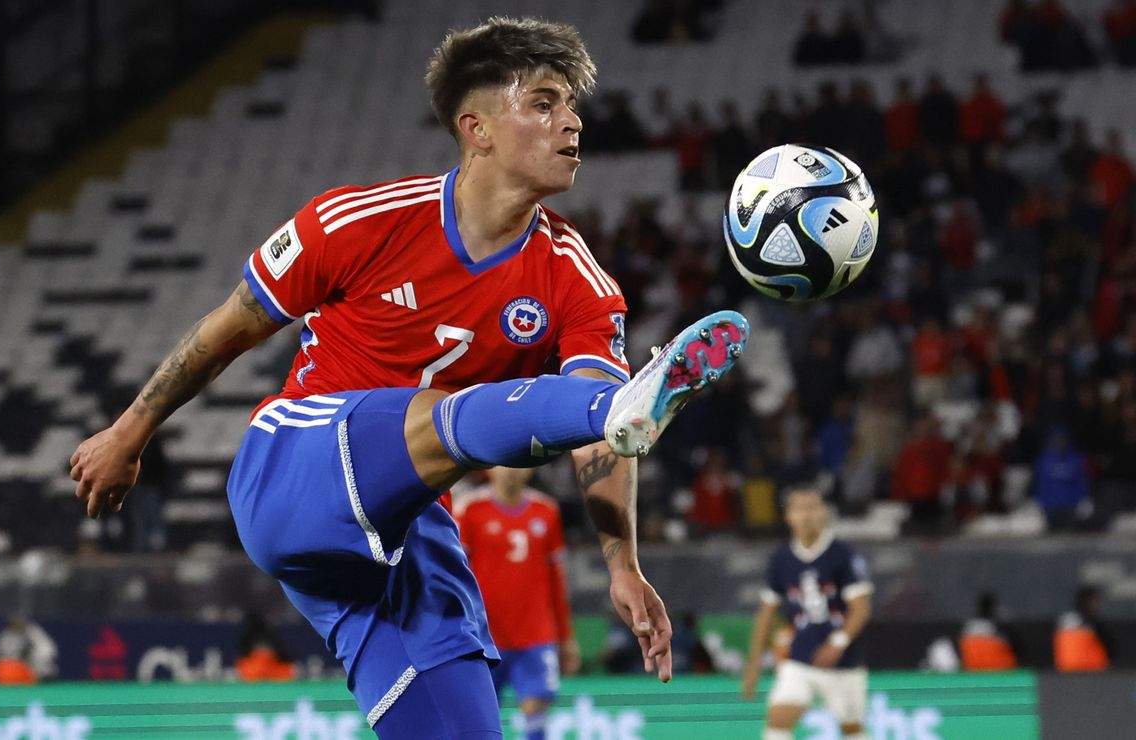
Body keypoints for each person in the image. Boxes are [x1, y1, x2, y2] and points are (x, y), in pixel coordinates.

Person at [67, 15, 750, 739]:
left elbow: (599, 439)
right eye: (545, 103)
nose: (572, 123)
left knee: (462, 726)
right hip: (293, 470)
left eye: (573, 106)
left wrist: (622, 564)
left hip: (405, 528)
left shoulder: (578, 282)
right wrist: (128, 431)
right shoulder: (356, 222)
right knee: (463, 416)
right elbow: (226, 329)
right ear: (476, 128)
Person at [457, 467, 580, 740]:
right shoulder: (469, 510)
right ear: (490, 468)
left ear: (531, 470)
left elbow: (555, 580)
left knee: (536, 707)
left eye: (518, 464)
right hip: (485, 635)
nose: (511, 471)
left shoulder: (546, 511)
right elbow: (455, 577)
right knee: (482, 716)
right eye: (504, 463)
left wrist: (566, 636)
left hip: (535, 632)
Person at [742, 485, 873, 740]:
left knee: (852, 730)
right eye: (799, 509)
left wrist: (837, 643)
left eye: (812, 507)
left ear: (824, 512)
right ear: (788, 516)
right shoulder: (781, 558)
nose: (806, 515)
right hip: (800, 658)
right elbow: (766, 614)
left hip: (843, 662)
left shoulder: (842, 554)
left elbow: (861, 608)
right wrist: (754, 664)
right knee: (778, 722)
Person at [1054, 585, 1112, 672]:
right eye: (1094, 600)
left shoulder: (1064, 620)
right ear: (1087, 601)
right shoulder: (1092, 622)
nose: (1097, 604)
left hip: (1067, 670)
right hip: (1092, 670)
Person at [959, 592, 1019, 671]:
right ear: (994, 608)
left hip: (975, 668)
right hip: (998, 667)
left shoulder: (969, 626)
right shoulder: (1000, 626)